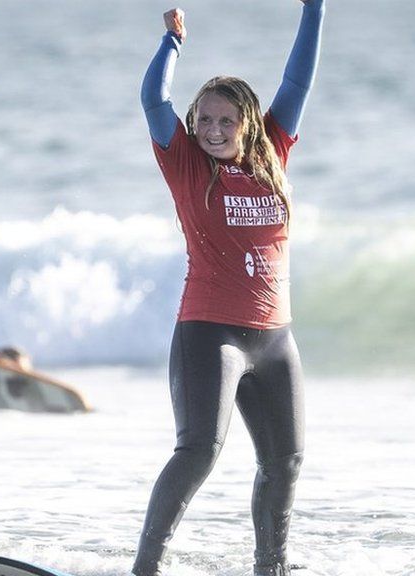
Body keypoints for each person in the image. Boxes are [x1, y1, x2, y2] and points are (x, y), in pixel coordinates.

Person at [134, 2, 325, 576]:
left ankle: (272, 569)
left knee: (285, 462)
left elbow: (297, 78)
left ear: (246, 123)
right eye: (205, 121)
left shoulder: (274, 150)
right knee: (198, 452)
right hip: (210, 332)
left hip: (274, 340)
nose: (213, 131)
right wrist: (172, 42)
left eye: (225, 122)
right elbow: (153, 102)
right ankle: (144, 569)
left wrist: (314, 8)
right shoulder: (187, 164)